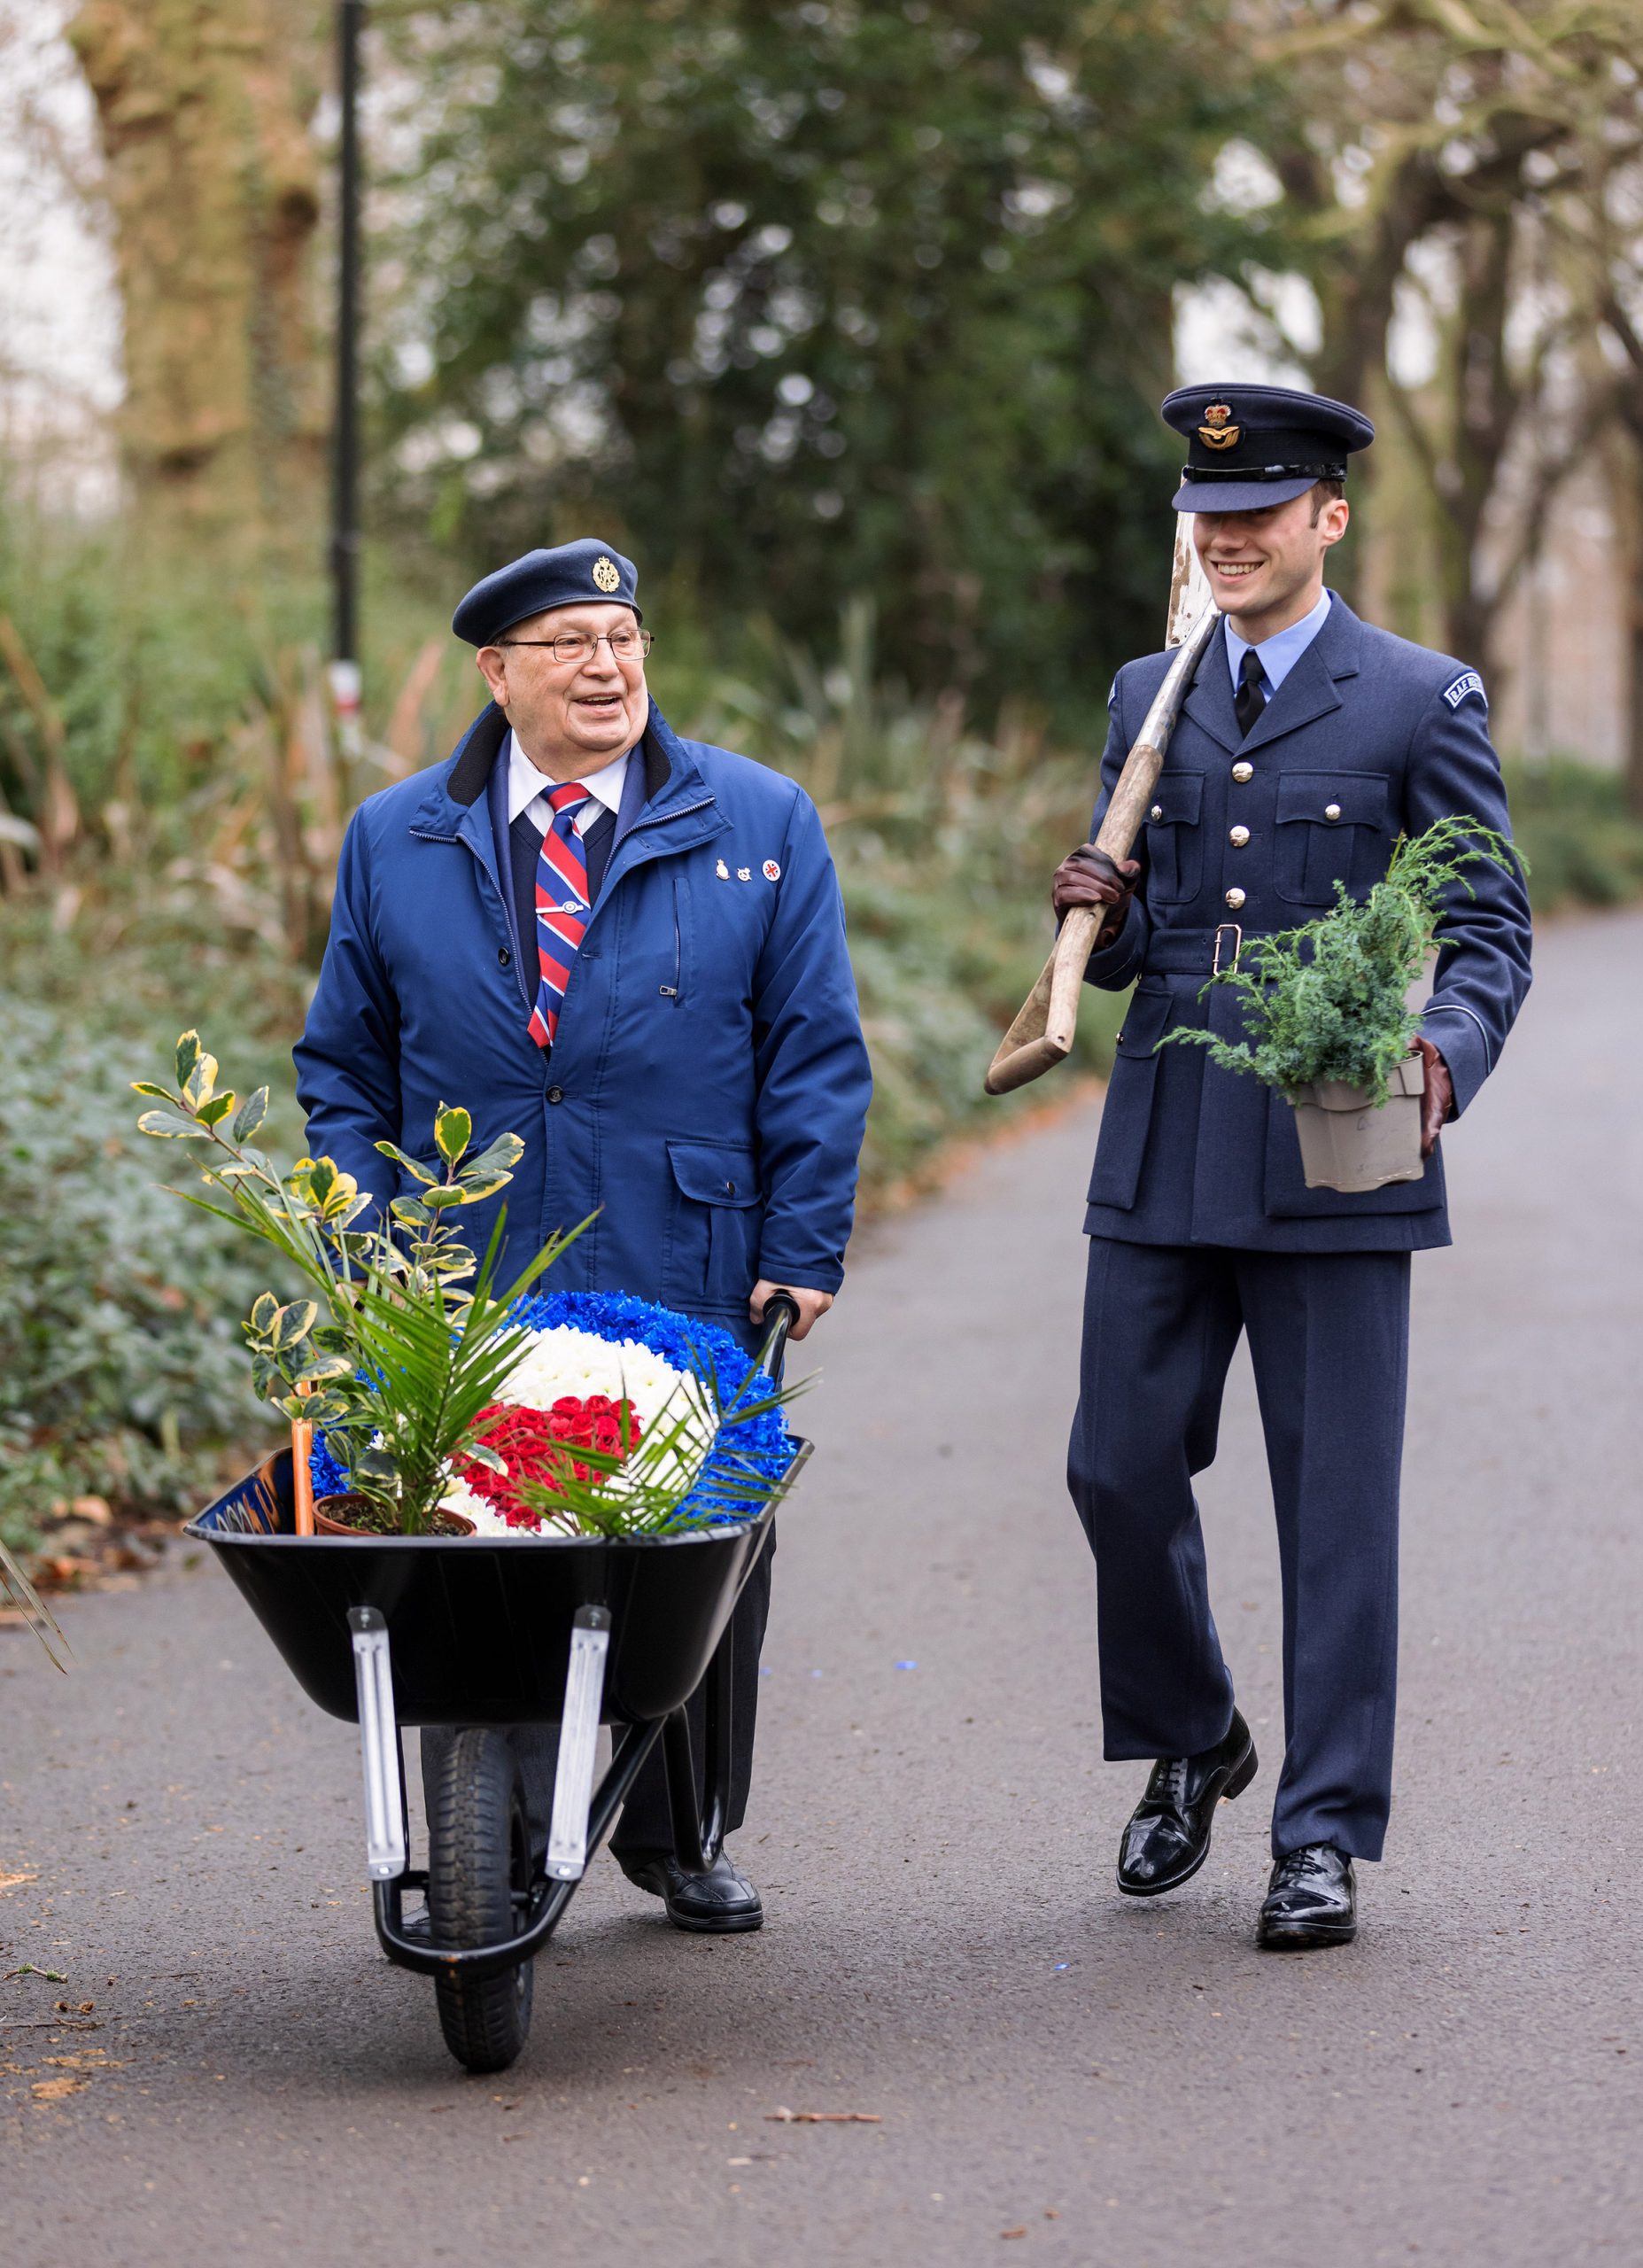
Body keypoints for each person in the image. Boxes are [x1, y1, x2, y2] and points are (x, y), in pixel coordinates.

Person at [295, 538, 872, 1932]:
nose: (607, 667)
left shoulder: (760, 818)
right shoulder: (397, 838)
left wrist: (803, 1238)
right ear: (496, 675)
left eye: (623, 639)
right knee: (475, 1535)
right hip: (470, 1256)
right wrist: (372, 1237)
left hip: (686, 1245)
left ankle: (679, 1834)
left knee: (694, 1539)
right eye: (567, 645)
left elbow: (814, 1054)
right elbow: (342, 1071)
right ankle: (485, 1825)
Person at [1055, 385, 1531, 1948]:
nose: (1231, 537)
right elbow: (1135, 940)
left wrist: (1442, 1057)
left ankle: (1320, 1835)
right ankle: (1198, 1738)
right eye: (1210, 517)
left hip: (1343, 1126)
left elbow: (1488, 927)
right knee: (1114, 1464)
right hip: (1167, 1125)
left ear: (1329, 518)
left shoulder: (1418, 696)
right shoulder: (1149, 687)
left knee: (1334, 1511)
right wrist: (1103, 918)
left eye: (1262, 512)